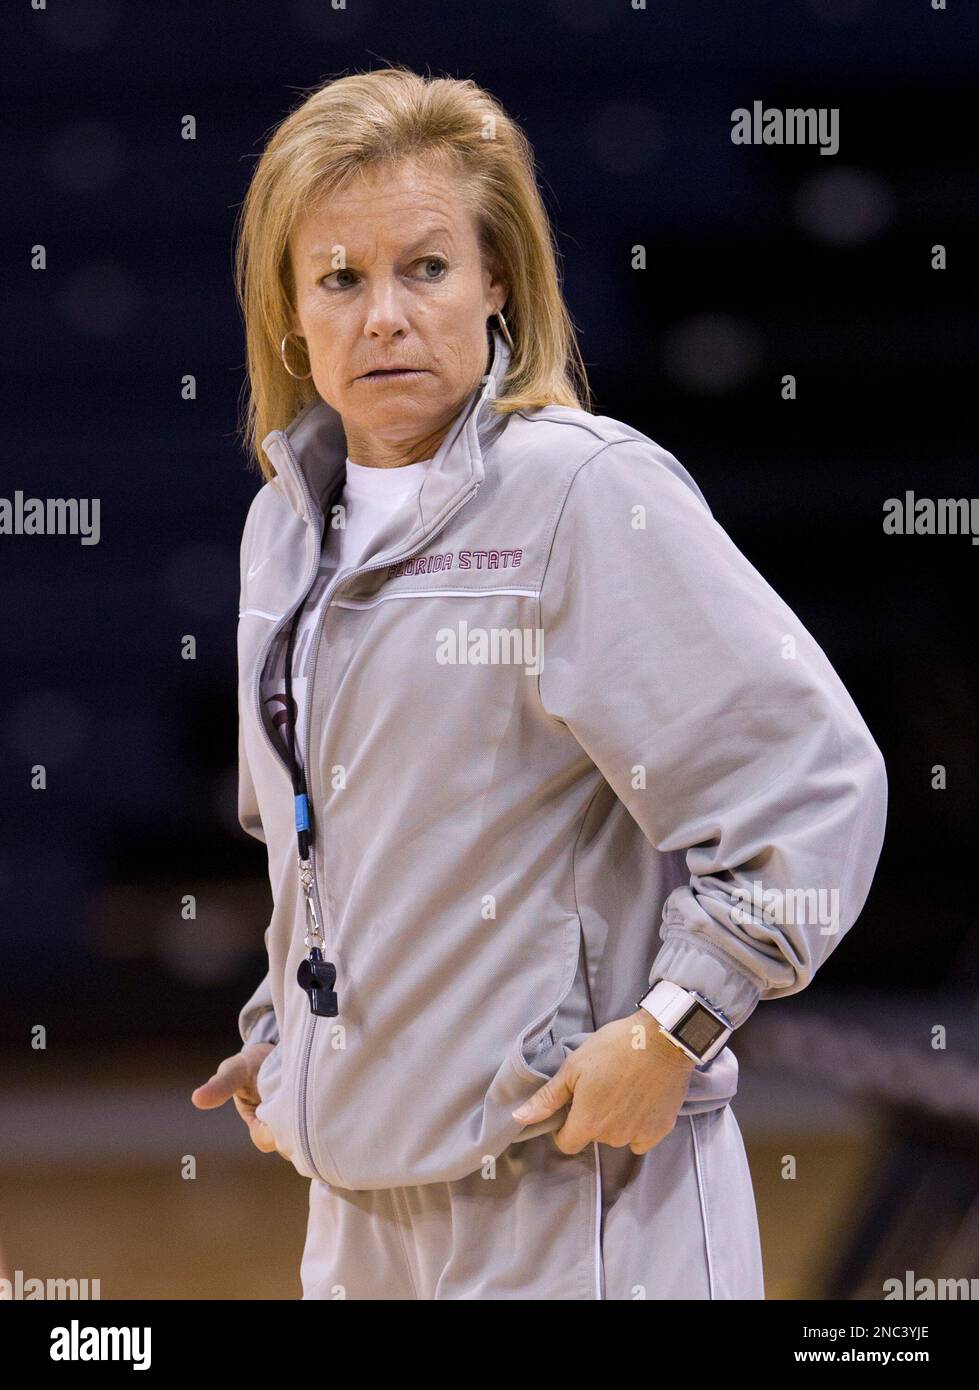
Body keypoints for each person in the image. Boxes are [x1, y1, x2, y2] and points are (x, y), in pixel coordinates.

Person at [191, 65, 888, 1300]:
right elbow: (322, 842)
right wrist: (288, 1036)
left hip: (576, 1205)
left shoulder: (581, 491)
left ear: (498, 280)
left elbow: (814, 783)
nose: (385, 316)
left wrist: (675, 1024)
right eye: (340, 278)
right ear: (289, 312)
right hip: (354, 1213)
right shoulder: (281, 531)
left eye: (427, 268)